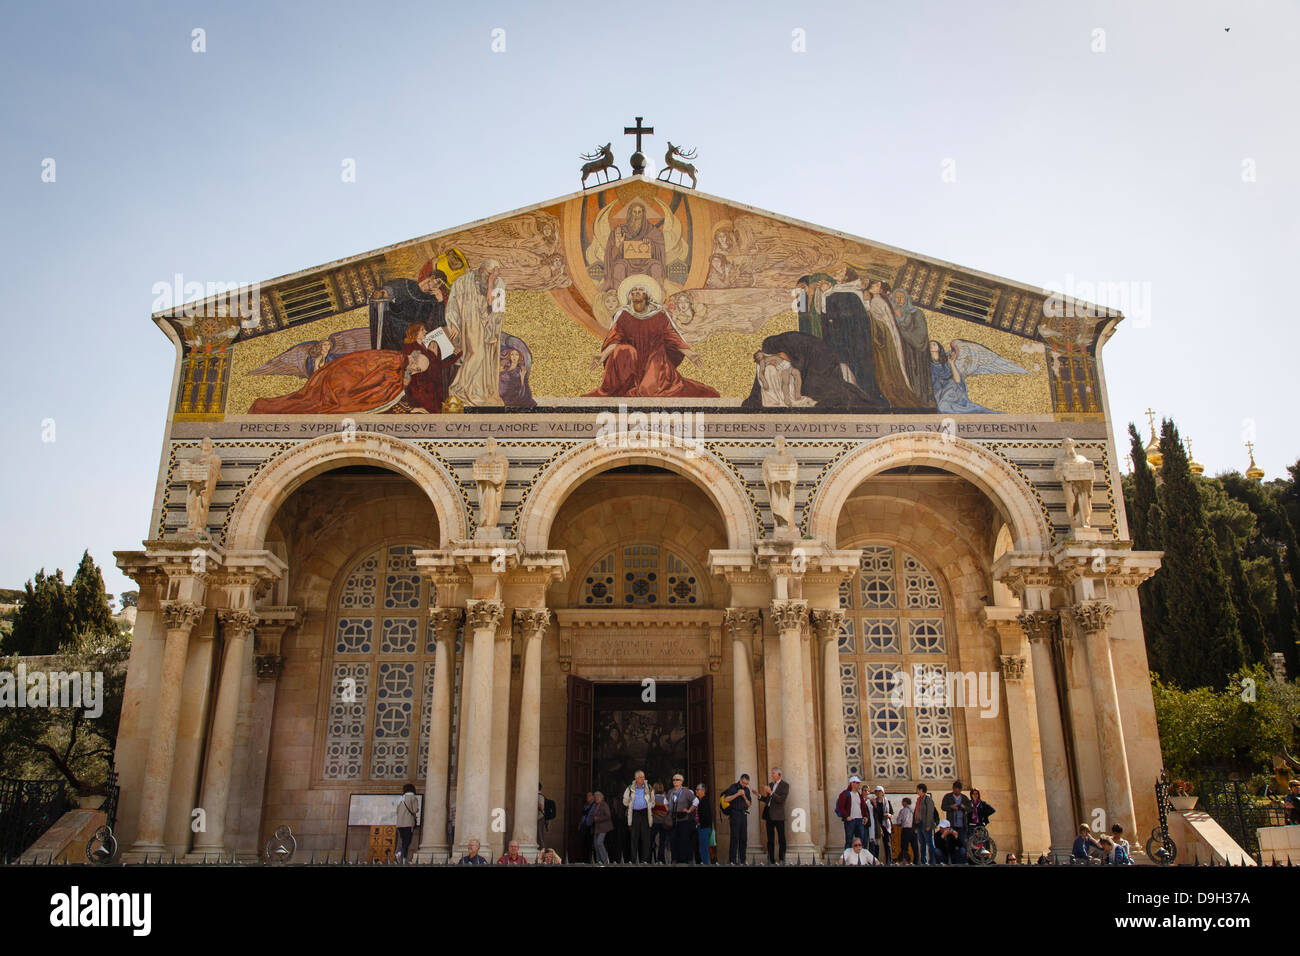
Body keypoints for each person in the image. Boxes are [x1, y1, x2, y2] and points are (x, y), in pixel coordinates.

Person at [584, 276, 719, 399]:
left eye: (640, 290)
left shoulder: (659, 315)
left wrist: (690, 354)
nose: (636, 292)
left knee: (648, 391)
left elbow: (672, 337)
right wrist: (603, 355)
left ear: (647, 295)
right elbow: (615, 339)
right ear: (630, 296)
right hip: (632, 361)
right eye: (634, 290)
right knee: (623, 350)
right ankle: (623, 385)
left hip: (655, 359)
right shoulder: (624, 316)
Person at [445, 258, 506, 407]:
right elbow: (452, 303)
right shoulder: (462, 282)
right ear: (481, 270)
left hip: (489, 325)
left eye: (494, 275)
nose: (490, 277)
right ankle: (458, 388)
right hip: (470, 321)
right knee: (476, 354)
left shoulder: (499, 284)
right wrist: (453, 323)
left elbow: (497, 309)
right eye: (488, 274)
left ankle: (478, 392)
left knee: (485, 358)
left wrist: (491, 284)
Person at [623, 770, 654, 863]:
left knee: (646, 839)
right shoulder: (630, 788)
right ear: (636, 778)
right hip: (635, 814)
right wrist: (631, 805)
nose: (642, 779)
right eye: (640, 777)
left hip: (645, 814)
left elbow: (653, 801)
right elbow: (625, 801)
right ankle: (632, 860)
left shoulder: (649, 787)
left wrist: (648, 806)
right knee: (634, 838)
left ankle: (645, 861)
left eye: (643, 777)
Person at [721, 773, 753, 864]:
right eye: (743, 783)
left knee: (743, 838)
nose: (744, 785)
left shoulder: (746, 790)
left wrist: (744, 796)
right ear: (740, 780)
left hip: (743, 814)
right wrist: (737, 794)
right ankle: (732, 860)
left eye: (746, 783)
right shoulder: (733, 787)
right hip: (735, 814)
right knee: (734, 837)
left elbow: (749, 804)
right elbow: (726, 799)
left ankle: (742, 860)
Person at [760, 767, 789, 864]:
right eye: (772, 773)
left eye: (773, 773)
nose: (772, 775)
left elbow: (781, 800)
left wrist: (771, 792)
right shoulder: (771, 784)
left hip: (779, 815)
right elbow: (769, 800)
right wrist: (760, 796)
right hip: (769, 814)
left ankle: (782, 858)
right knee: (770, 838)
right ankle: (771, 859)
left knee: (781, 838)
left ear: (779, 774)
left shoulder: (785, 785)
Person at [667, 773, 697, 864]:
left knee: (684, 839)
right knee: (673, 839)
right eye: (674, 780)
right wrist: (668, 809)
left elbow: (696, 801)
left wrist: (689, 810)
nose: (675, 781)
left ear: (681, 782)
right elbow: (666, 802)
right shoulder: (670, 792)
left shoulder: (686, 792)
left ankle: (686, 859)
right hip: (673, 820)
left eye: (677, 780)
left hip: (683, 819)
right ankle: (674, 859)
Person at [834, 775, 870, 850]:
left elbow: (863, 807)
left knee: (861, 840)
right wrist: (846, 816)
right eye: (857, 783)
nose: (858, 785)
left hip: (859, 820)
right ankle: (847, 859)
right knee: (849, 840)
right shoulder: (845, 794)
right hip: (851, 820)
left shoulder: (858, 794)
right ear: (852, 783)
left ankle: (860, 859)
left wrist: (865, 816)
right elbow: (841, 807)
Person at [914, 783, 939, 865]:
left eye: (917, 789)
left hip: (925, 825)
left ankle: (932, 861)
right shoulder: (919, 800)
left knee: (930, 843)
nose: (916, 791)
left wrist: (928, 825)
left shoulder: (927, 799)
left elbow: (930, 813)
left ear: (921, 790)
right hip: (919, 824)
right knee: (922, 844)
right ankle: (923, 862)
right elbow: (916, 813)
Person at [394, 783, 419, 863]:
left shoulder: (401, 798)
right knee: (407, 841)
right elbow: (415, 810)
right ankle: (400, 854)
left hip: (399, 824)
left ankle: (403, 858)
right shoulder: (413, 797)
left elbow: (397, 811)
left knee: (403, 841)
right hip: (408, 823)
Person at [941, 780, 970, 848]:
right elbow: (943, 807)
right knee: (951, 843)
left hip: (961, 825)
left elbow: (970, 808)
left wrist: (964, 807)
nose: (957, 791)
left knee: (962, 843)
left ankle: (962, 857)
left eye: (958, 790)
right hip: (951, 824)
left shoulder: (964, 798)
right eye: (955, 790)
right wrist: (951, 807)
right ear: (953, 789)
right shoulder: (948, 796)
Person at [870, 786, 894, 865]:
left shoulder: (887, 802)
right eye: (877, 791)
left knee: (887, 843)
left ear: (883, 792)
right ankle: (876, 861)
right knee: (876, 843)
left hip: (885, 824)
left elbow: (892, 813)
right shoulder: (873, 802)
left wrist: (889, 815)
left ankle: (889, 861)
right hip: (877, 824)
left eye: (880, 791)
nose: (879, 793)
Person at [591, 791, 613, 865]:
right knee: (596, 845)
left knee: (599, 842)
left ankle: (605, 860)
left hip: (604, 827)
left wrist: (598, 818)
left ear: (601, 798)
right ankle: (599, 861)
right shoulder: (595, 805)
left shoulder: (604, 805)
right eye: (595, 797)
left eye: (598, 797)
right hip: (597, 828)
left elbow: (608, 816)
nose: (596, 798)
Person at [694, 783, 714, 865]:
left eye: (698, 789)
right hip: (703, 827)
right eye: (696, 789)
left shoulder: (704, 801)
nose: (696, 791)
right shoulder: (701, 800)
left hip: (704, 827)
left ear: (703, 791)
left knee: (704, 848)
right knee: (702, 848)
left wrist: (699, 823)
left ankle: (706, 864)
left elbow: (705, 815)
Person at [650, 782, 670, 863]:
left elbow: (650, 810)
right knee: (662, 841)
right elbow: (668, 810)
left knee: (651, 840)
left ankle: (648, 858)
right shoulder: (665, 799)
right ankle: (661, 858)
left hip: (654, 822)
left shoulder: (653, 799)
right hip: (663, 822)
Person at [895, 796, 916, 865]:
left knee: (904, 847)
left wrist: (900, 824)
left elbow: (898, 822)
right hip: (914, 829)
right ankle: (917, 861)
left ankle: (905, 861)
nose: (902, 803)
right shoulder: (914, 810)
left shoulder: (903, 810)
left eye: (902, 802)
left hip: (906, 830)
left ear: (905, 802)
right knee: (915, 847)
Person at [578, 791, 596, 863]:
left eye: (589, 796)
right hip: (584, 827)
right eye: (587, 796)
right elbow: (583, 817)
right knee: (583, 844)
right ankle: (584, 860)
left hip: (590, 828)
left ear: (593, 797)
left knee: (589, 845)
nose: (587, 798)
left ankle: (589, 860)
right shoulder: (586, 806)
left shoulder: (595, 805)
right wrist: (580, 825)